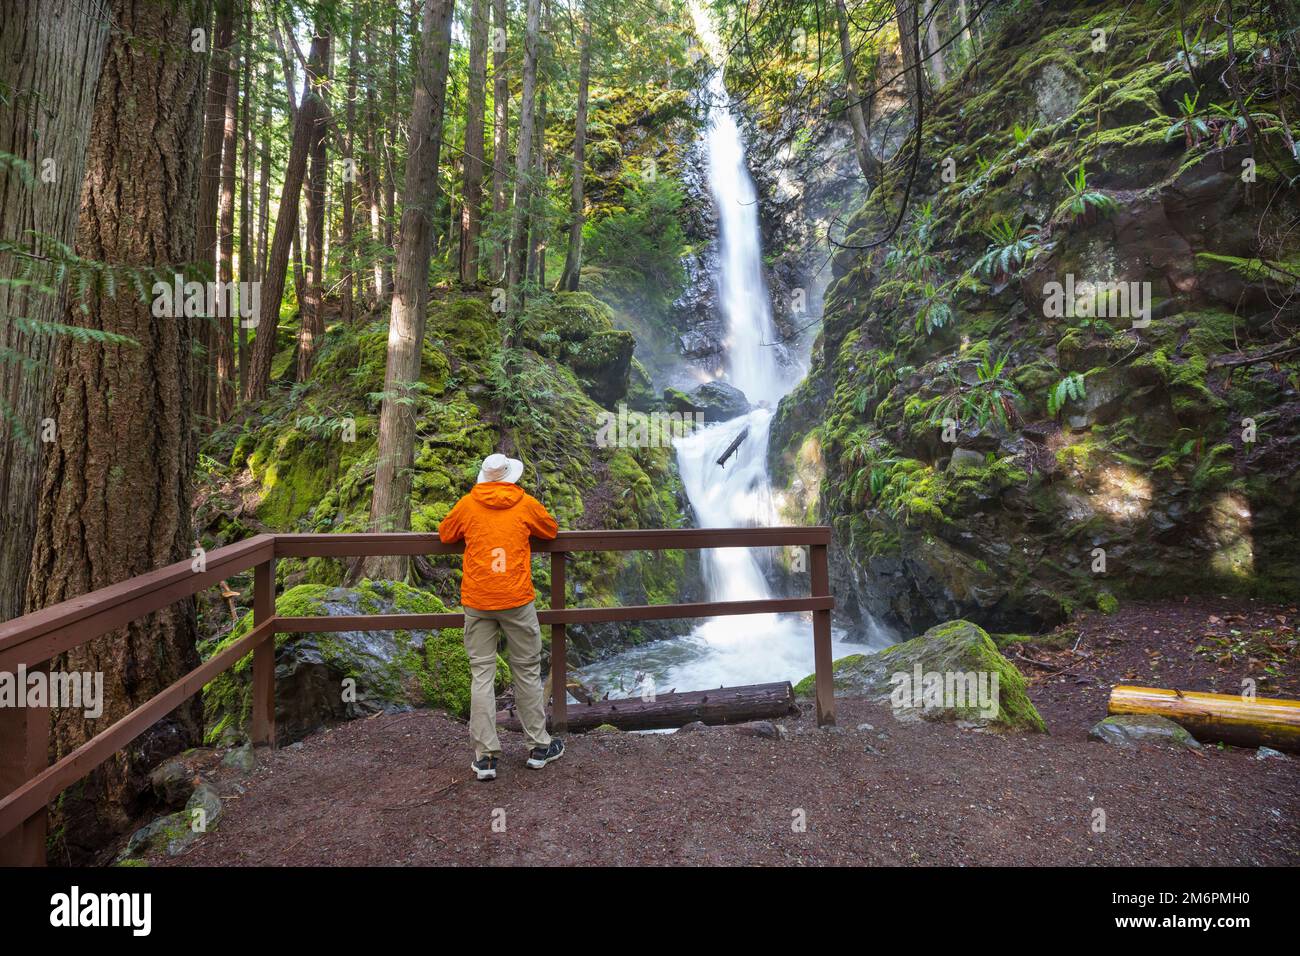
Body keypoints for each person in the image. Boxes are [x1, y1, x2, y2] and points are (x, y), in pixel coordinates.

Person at [438, 453, 565, 781]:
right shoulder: (524, 504)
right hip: (517, 600)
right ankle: (538, 747)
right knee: (526, 671)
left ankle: (486, 758)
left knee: (482, 674)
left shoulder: (467, 504)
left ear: (483, 476)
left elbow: (445, 534)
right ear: (510, 477)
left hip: (478, 601)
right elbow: (550, 530)